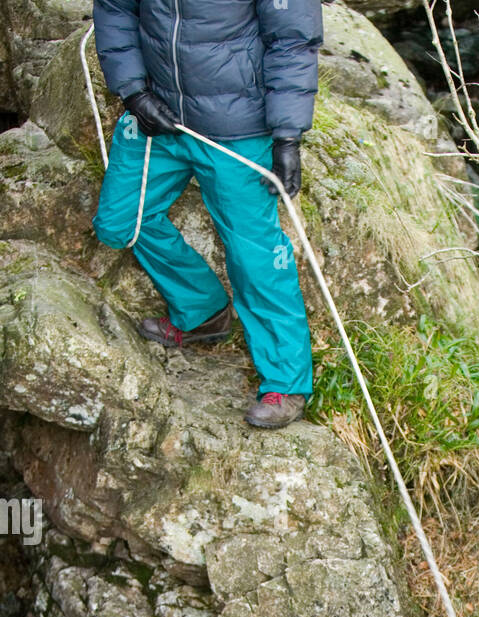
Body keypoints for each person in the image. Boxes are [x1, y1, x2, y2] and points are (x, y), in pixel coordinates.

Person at [91, 0, 322, 429]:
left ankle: (286, 383)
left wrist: (288, 136)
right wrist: (135, 94)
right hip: (158, 119)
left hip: (240, 127)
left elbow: (291, 40)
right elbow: (114, 9)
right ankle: (203, 312)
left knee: (253, 256)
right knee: (120, 222)